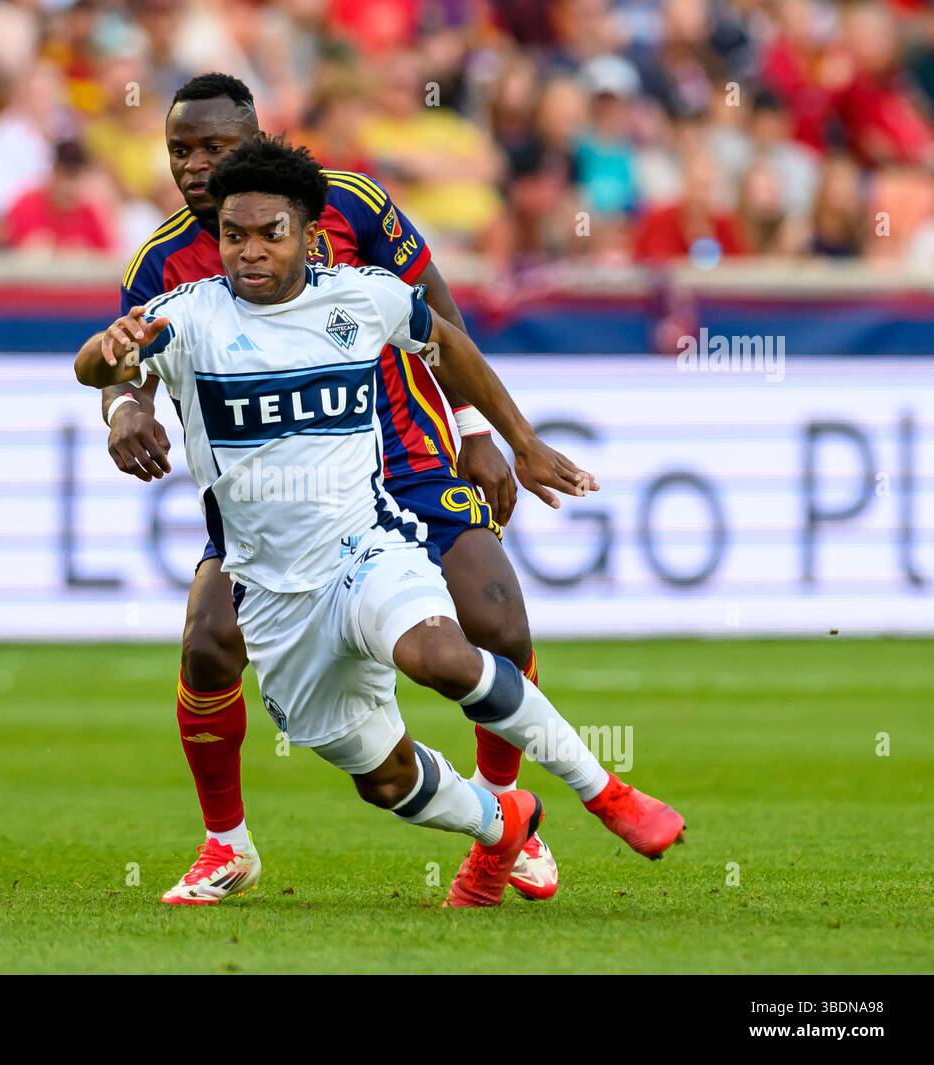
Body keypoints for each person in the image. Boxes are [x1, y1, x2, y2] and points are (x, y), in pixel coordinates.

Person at [76, 137, 686, 907]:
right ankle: (502, 825)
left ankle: (610, 795)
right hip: (271, 598)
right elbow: (101, 367)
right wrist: (114, 366)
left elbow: (449, 341)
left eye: (271, 233)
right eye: (235, 236)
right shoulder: (186, 313)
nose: (251, 251)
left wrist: (515, 440)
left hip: (365, 549)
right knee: (386, 779)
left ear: (307, 230)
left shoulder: (361, 296)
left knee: (444, 653)